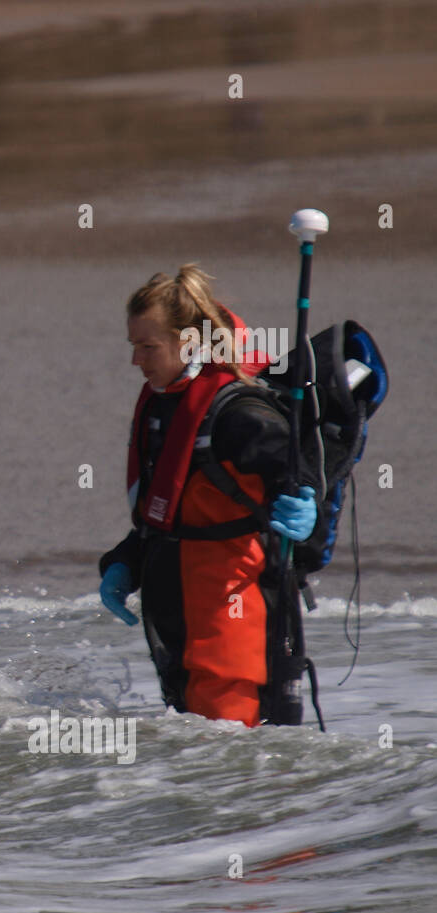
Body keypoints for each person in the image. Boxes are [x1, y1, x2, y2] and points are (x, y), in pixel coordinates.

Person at [99, 265, 318, 727]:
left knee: (230, 751)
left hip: (232, 603)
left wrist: (306, 504)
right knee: (191, 758)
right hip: (176, 607)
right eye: (133, 346)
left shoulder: (238, 412)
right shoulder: (161, 404)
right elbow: (170, 509)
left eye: (148, 347)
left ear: (191, 342)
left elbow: (293, 472)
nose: (136, 360)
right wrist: (126, 561)